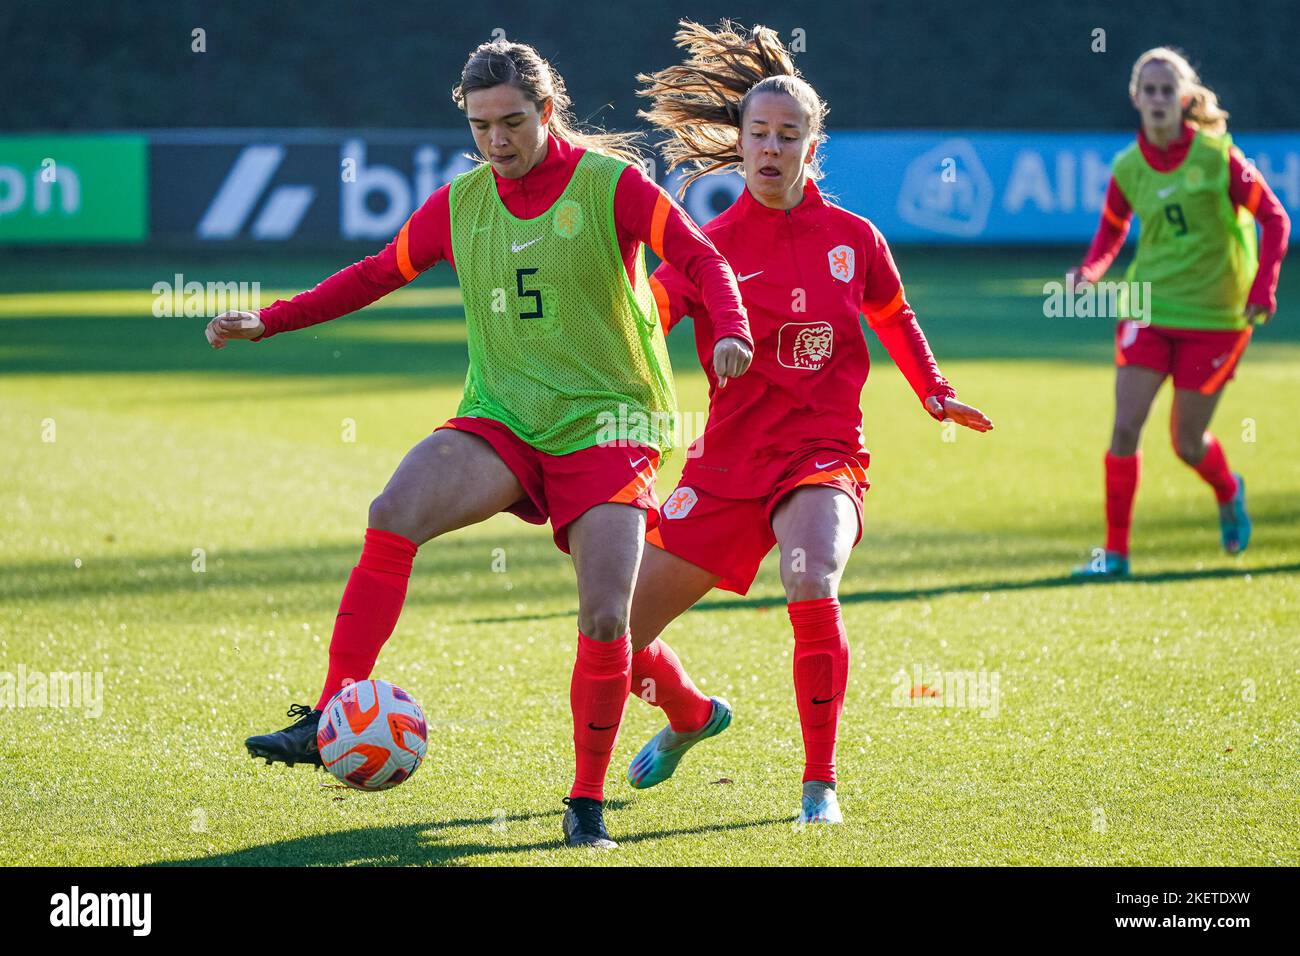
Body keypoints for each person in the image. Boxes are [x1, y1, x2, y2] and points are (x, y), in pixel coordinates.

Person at [208, 37, 753, 849]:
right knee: (393, 510)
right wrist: (271, 319)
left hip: (610, 425)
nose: (496, 141)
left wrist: (731, 332)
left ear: (548, 110)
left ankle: (586, 805)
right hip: (504, 415)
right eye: (480, 125)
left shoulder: (613, 187)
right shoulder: (463, 202)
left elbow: (702, 258)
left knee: (607, 622)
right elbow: (372, 274)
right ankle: (330, 712)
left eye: (512, 122)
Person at [615, 20, 992, 824]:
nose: (773, 148)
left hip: (821, 456)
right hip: (723, 468)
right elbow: (643, 326)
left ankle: (818, 785)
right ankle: (688, 714)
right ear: (740, 142)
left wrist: (933, 389)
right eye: (760, 134)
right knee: (612, 635)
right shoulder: (707, 246)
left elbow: (895, 315)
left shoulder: (853, 240)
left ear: (813, 148)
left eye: (791, 135)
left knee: (810, 578)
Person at [1070, 47, 1289, 578]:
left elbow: (1276, 220)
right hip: (1150, 306)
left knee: (1187, 443)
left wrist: (1264, 287)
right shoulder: (1127, 166)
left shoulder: (1220, 158)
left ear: (1186, 98)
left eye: (1169, 90)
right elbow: (1112, 228)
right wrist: (1092, 270)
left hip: (1215, 319)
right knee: (1125, 428)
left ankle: (1228, 489)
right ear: (1136, 99)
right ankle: (1115, 555)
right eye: (1150, 90)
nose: (1159, 99)